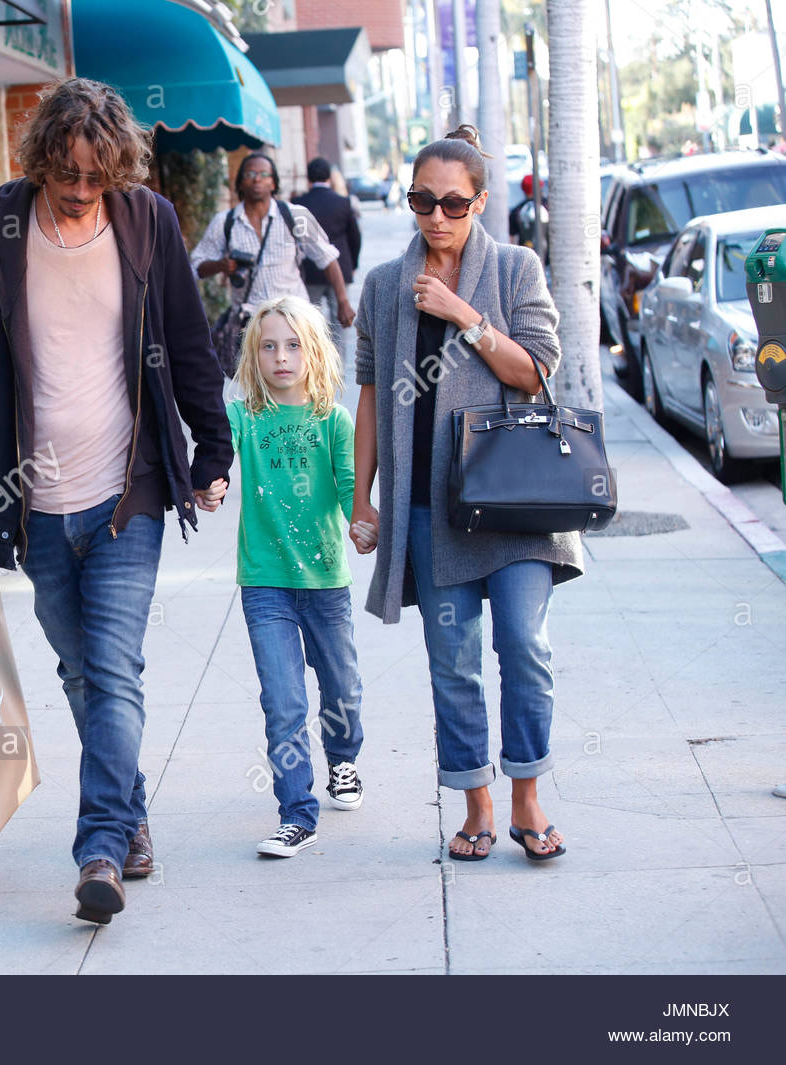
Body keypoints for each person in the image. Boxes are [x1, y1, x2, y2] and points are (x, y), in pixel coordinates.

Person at [0, 78, 232, 925]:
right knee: (80, 672)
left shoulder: (145, 219)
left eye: (97, 177)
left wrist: (212, 448)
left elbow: (186, 342)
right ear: (43, 160)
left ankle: (101, 848)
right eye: (68, 174)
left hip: (128, 493)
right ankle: (132, 808)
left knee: (113, 667)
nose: (82, 192)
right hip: (33, 504)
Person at [350, 126, 583, 863]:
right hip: (428, 505)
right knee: (452, 661)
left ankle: (527, 793)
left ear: (480, 202)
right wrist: (363, 499)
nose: (436, 216)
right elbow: (367, 398)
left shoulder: (515, 270)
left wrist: (464, 316)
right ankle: (476, 801)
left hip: (516, 502)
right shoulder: (386, 286)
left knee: (524, 647)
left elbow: (537, 372)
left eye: (453, 202)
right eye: (423, 199)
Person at [227, 295, 372, 858]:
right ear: (254, 356)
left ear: (313, 353)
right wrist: (209, 482)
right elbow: (216, 452)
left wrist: (363, 521)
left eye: (292, 345)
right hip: (264, 583)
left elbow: (347, 489)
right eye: (268, 346)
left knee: (342, 691)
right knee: (283, 701)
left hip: (326, 582)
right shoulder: (245, 417)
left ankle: (344, 760)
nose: (280, 357)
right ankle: (296, 814)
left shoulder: (332, 421)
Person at [190, 152, 353, 362]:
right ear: (240, 183)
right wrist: (220, 265)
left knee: (298, 383)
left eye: (264, 174)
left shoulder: (296, 216)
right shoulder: (224, 222)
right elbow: (196, 267)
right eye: (250, 173)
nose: (257, 178)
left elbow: (327, 258)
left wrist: (342, 301)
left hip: (295, 318)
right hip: (252, 323)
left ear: (274, 183)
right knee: (260, 389)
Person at [292, 157, 361, 344]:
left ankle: (317, 362)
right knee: (341, 320)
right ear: (329, 177)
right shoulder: (343, 202)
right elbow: (355, 237)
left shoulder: (297, 203)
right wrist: (353, 264)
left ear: (308, 178)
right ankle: (337, 370)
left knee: (311, 322)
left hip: (310, 269)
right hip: (340, 267)